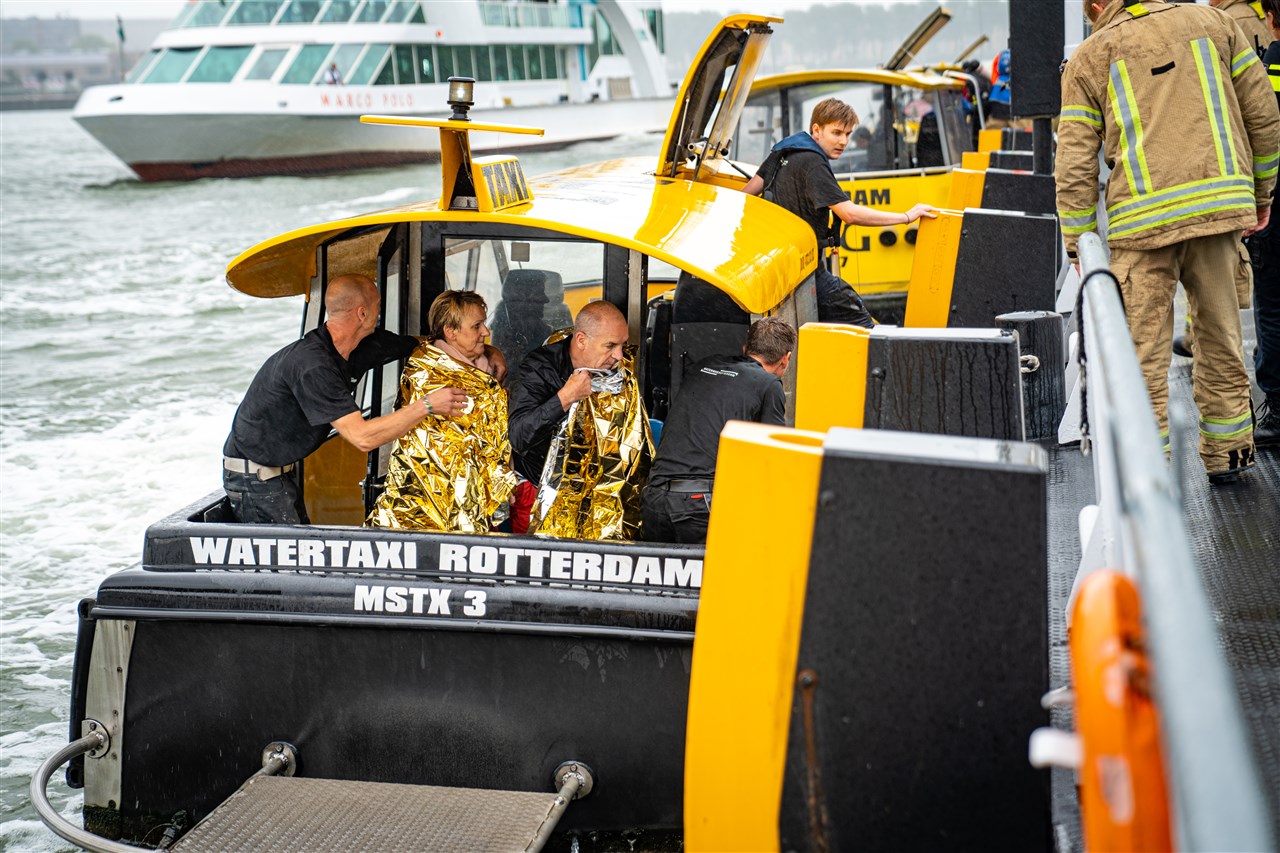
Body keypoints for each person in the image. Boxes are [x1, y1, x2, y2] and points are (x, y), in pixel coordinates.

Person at [1056, 0, 1280, 483]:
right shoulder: (1215, 23)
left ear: (1097, 4)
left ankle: (1146, 473)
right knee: (1221, 340)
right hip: (1219, 212)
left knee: (1141, 357)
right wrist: (1261, 195)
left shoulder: (1091, 55)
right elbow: (1263, 115)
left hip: (1142, 226)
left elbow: (1074, 158)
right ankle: (1229, 455)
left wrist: (1077, 241)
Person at [222, 274, 468, 524]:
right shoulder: (313, 365)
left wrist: (487, 351)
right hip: (254, 477)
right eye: (378, 305)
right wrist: (427, 405)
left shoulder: (361, 346)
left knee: (302, 554)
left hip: (282, 469)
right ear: (362, 314)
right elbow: (362, 437)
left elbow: (422, 344)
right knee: (287, 562)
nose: (380, 311)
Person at [742, 97, 937, 328]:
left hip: (779, 273)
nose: (843, 141)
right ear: (816, 130)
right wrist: (905, 217)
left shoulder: (782, 151)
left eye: (848, 134)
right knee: (867, 331)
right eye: (836, 133)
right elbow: (849, 214)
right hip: (807, 274)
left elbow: (746, 194)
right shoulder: (813, 163)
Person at [369, 291, 516, 531]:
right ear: (451, 331)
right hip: (437, 515)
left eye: (484, 324)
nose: (486, 332)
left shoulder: (484, 367)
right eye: (477, 326)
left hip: (488, 505)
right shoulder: (428, 376)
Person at [641, 316, 795, 544]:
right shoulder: (768, 384)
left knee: (658, 576)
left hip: (655, 499)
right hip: (699, 505)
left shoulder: (703, 366)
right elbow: (773, 458)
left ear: (745, 348)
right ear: (785, 360)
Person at [507, 300, 631, 532]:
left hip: (598, 500)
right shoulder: (540, 368)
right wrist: (565, 397)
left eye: (623, 344)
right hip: (542, 497)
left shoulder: (621, 371)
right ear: (581, 340)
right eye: (610, 346)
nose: (619, 355)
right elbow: (519, 436)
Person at [1249, 0, 1280, 445]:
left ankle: (1277, 409)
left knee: (1273, 306)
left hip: (1277, 202)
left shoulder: (1271, 64)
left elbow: (1265, 128)